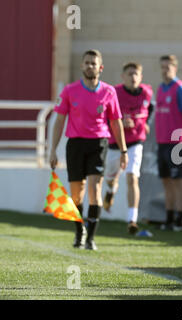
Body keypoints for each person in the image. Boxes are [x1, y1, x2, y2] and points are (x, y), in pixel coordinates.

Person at [49, 49, 128, 250]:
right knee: (77, 194)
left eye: (94, 63)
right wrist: (52, 150)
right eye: (87, 63)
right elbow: (59, 121)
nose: (90, 66)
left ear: (100, 68)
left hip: (98, 143)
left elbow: (116, 123)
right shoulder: (69, 90)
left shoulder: (109, 92)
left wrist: (123, 150)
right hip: (75, 144)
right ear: (82, 66)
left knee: (95, 189)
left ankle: (91, 238)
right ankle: (79, 231)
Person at [103, 62, 153, 235]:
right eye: (129, 74)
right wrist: (120, 123)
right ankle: (110, 190)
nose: (133, 77)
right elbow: (105, 115)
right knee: (111, 178)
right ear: (123, 77)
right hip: (115, 143)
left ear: (141, 77)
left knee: (132, 177)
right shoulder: (114, 93)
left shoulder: (146, 92)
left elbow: (150, 107)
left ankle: (132, 220)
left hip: (135, 143)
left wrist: (144, 123)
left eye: (136, 74)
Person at [155, 54, 182, 231]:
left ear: (175, 68)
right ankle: (169, 218)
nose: (165, 70)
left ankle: (180, 220)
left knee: (178, 181)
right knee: (166, 181)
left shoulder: (181, 89)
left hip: (177, 143)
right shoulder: (160, 89)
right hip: (162, 142)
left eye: (168, 67)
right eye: (162, 67)